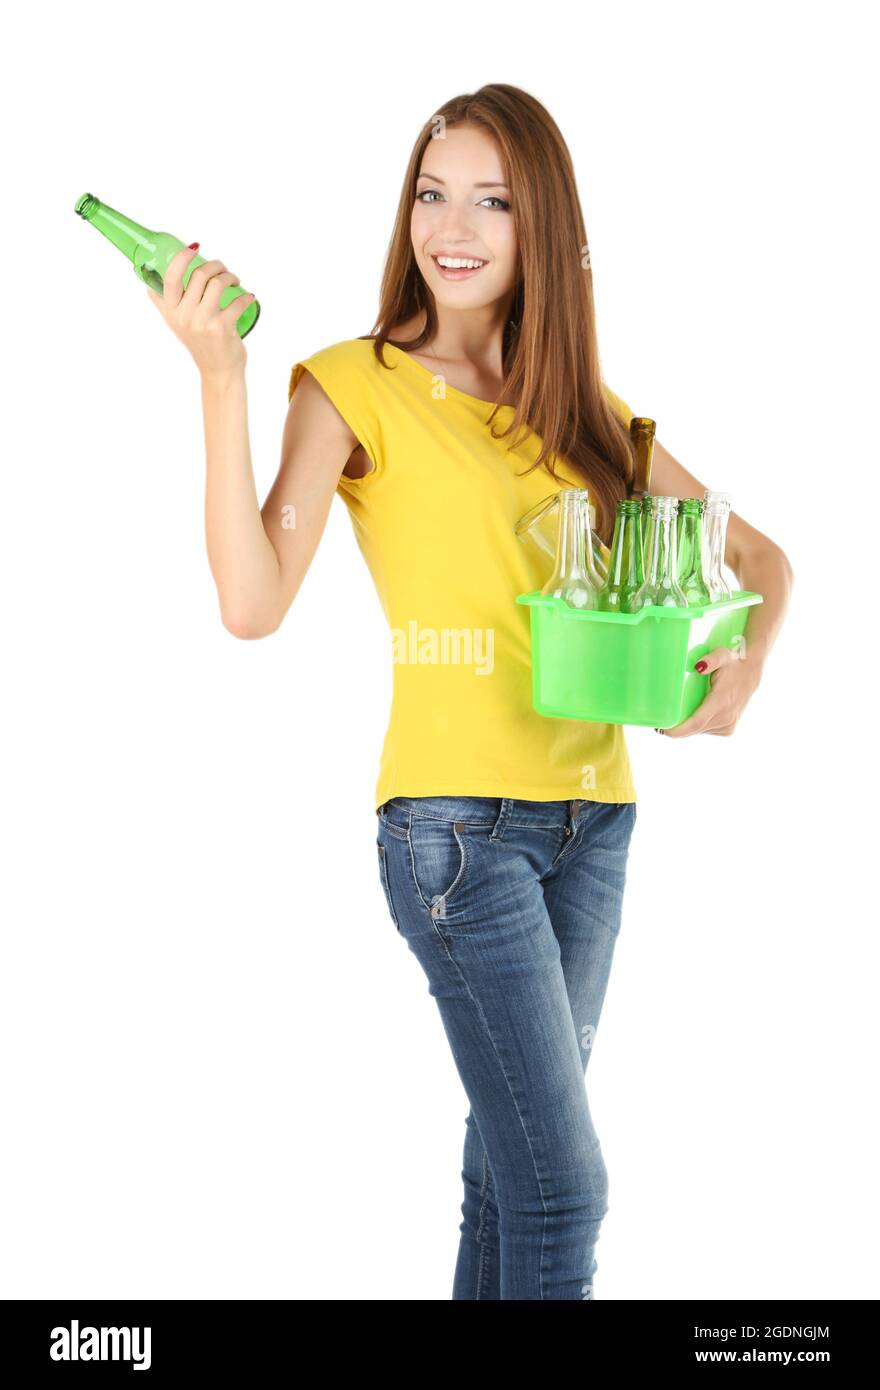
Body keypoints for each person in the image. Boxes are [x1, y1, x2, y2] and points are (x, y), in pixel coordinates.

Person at [147, 83, 793, 1300]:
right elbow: (252, 601)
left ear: (539, 226)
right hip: (456, 839)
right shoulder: (351, 385)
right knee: (564, 1191)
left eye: (491, 200)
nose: (452, 223)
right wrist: (220, 377)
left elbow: (759, 559)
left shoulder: (585, 419)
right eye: (432, 193)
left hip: (594, 823)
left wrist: (738, 670)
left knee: (508, 1182)